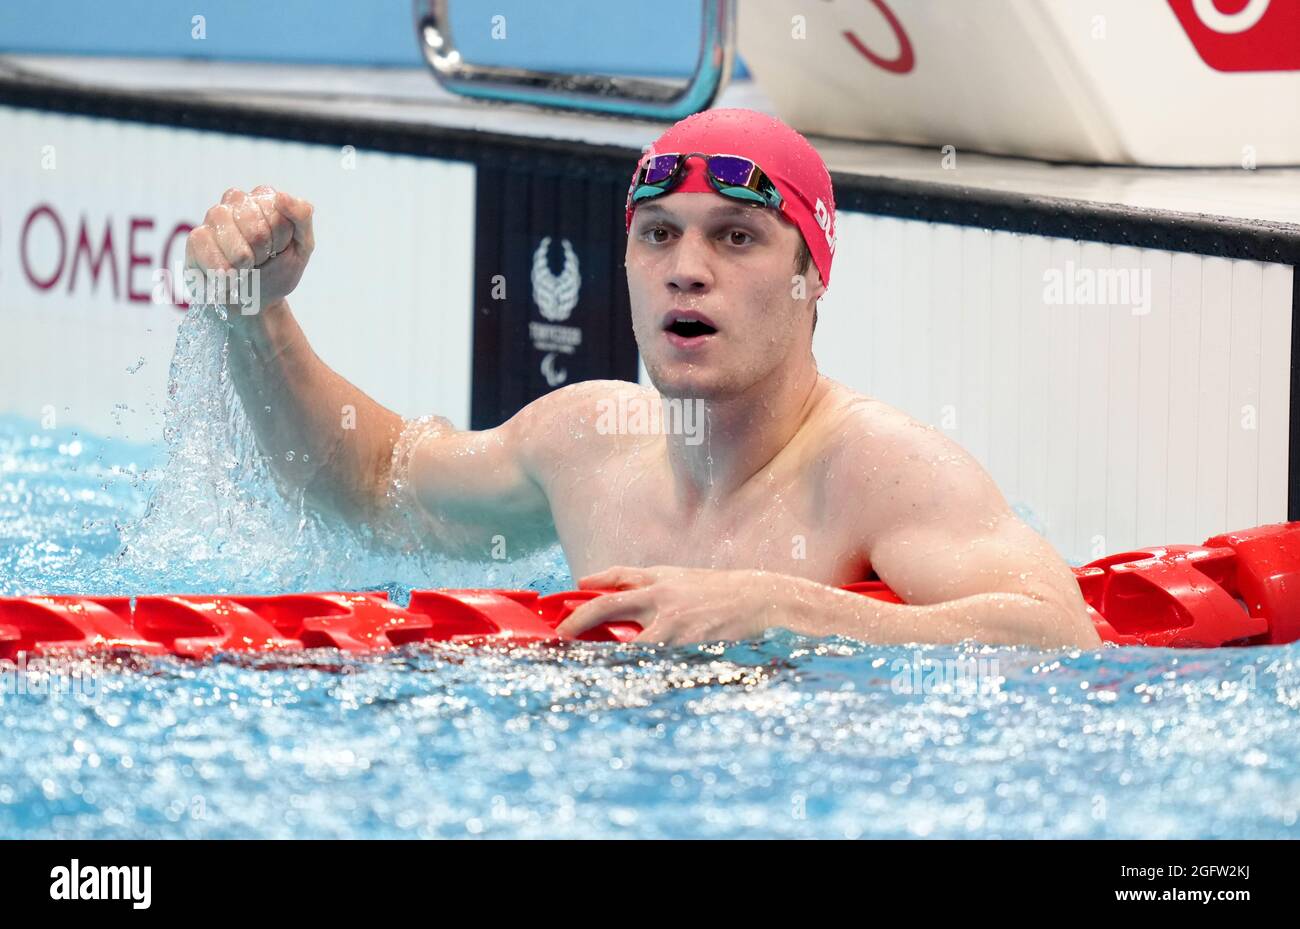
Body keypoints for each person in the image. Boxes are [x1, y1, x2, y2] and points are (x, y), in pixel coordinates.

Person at [184, 108, 1101, 649]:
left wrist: (783, 606)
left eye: (735, 236)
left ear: (811, 275)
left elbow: (1057, 629)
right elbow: (373, 486)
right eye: (657, 234)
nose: (686, 267)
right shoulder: (588, 441)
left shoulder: (876, 466)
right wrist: (254, 318)